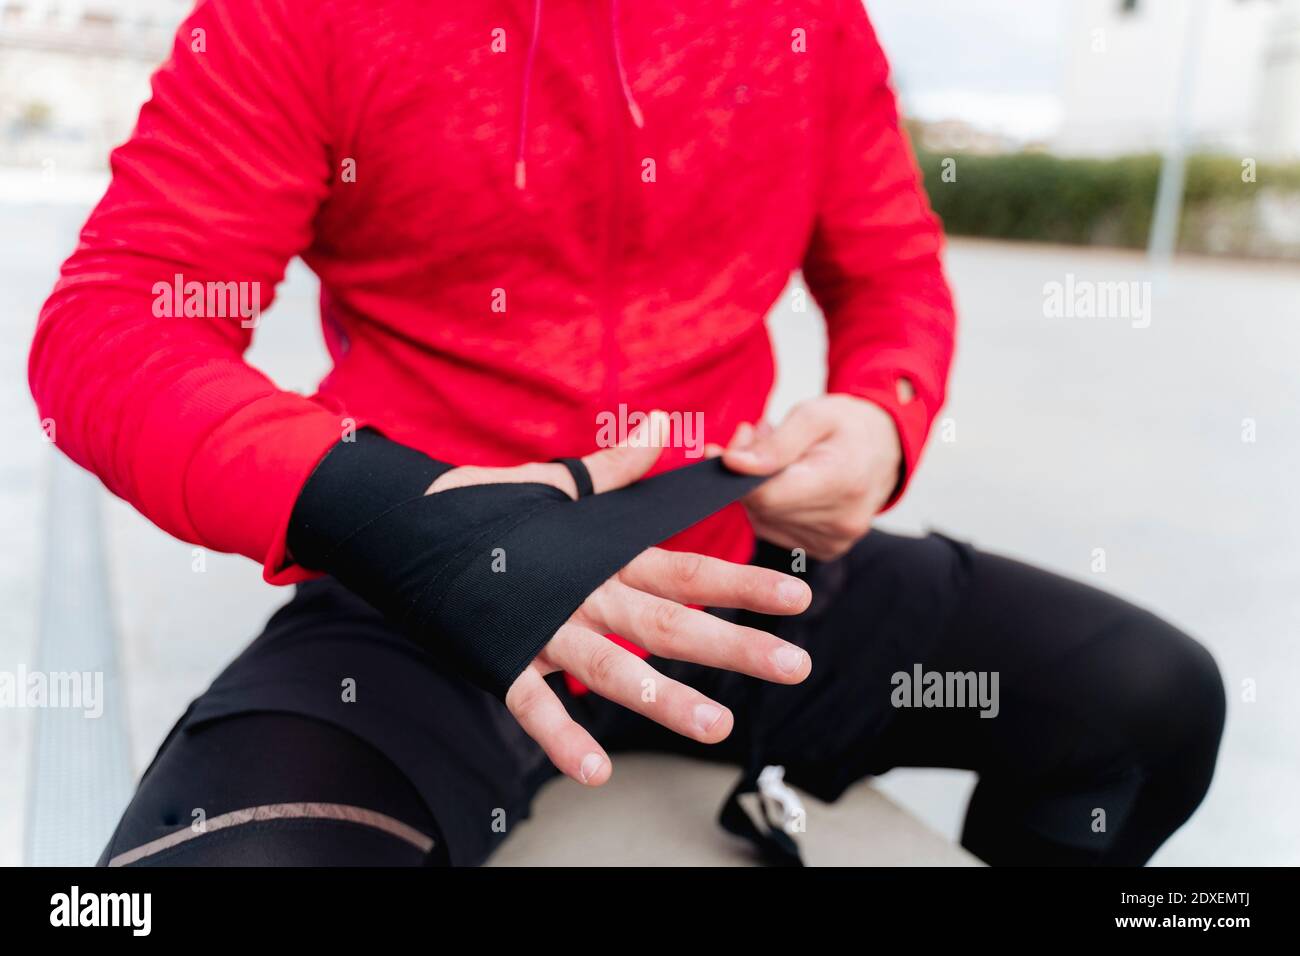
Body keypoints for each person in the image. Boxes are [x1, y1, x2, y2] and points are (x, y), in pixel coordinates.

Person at [30, 0, 1224, 867]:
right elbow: (109, 324)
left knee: (1146, 699)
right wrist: (393, 510)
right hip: (428, 584)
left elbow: (892, 267)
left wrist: (881, 412)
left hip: (729, 569)